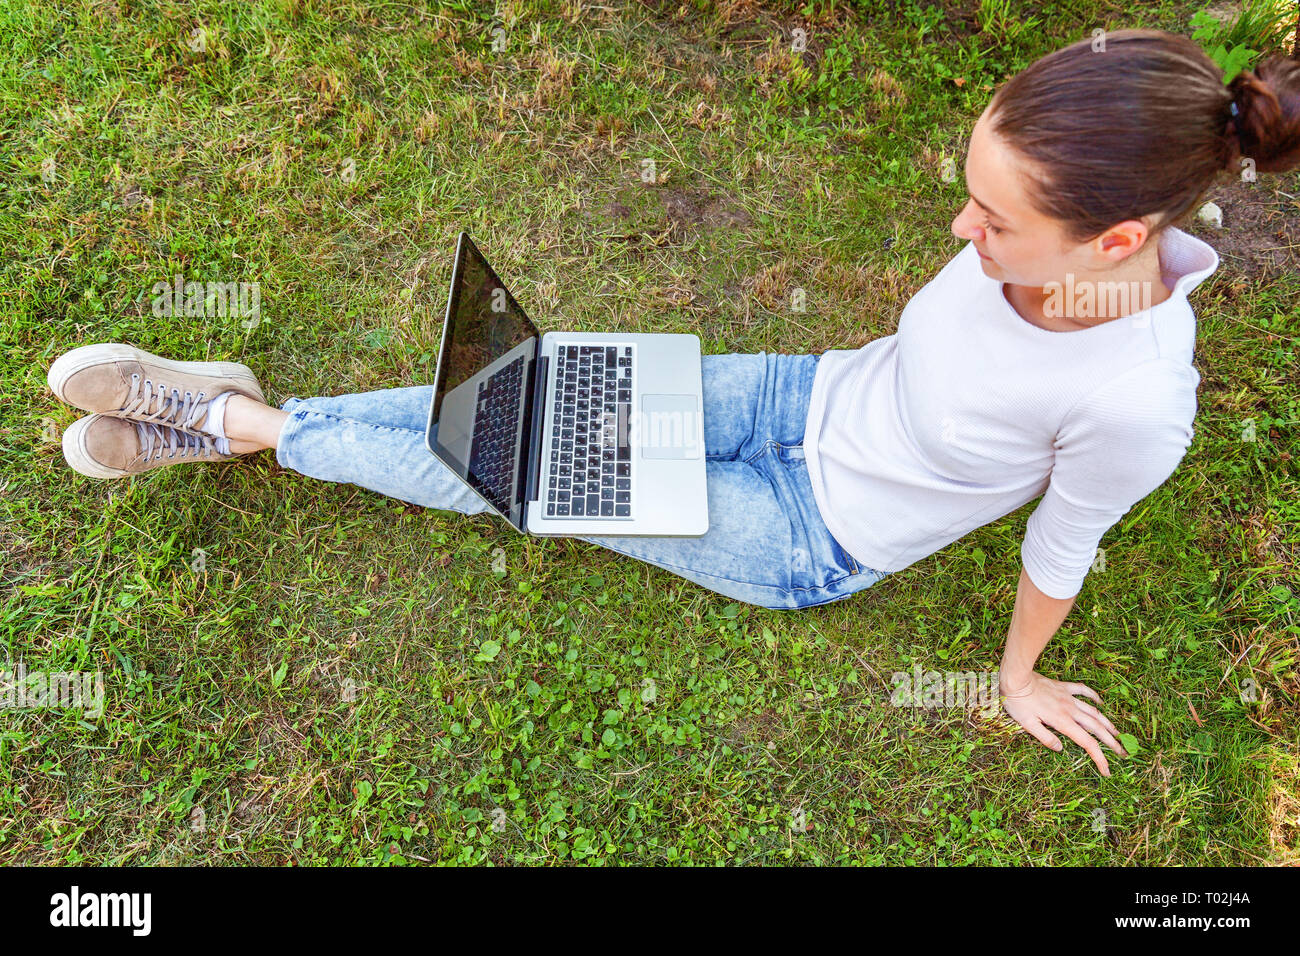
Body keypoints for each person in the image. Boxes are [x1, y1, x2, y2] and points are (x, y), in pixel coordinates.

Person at [44, 30, 1300, 775]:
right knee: (544, 382)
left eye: (993, 218)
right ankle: (248, 418)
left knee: (527, 475)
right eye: (971, 190)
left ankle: (231, 424)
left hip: (813, 532)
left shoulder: (1136, 400)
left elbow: (1060, 543)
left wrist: (1019, 676)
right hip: (796, 395)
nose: (960, 225)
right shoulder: (1049, 235)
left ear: (1116, 237)